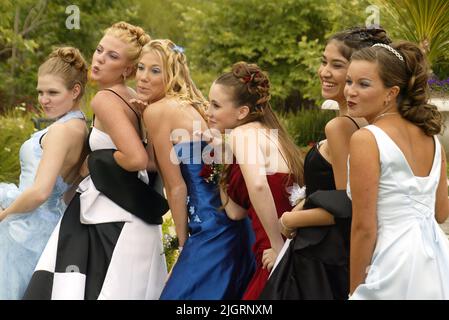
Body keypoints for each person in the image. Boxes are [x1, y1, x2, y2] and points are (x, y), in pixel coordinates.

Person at [24, 22, 168, 300]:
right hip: (128, 211)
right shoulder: (135, 99)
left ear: (127, 69)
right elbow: (152, 159)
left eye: (112, 56)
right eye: (100, 50)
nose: (99, 58)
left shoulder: (105, 99)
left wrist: (94, 161)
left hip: (106, 215)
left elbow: (137, 158)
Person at [260, 27, 391, 300]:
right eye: (324, 61)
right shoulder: (370, 124)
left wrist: (289, 218)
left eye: (337, 65)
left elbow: (346, 206)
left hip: (322, 257)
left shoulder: (341, 127)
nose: (324, 72)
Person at [139, 39, 255, 300]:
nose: (143, 77)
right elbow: (157, 161)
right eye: (140, 67)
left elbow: (176, 186)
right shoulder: (197, 105)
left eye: (155, 70)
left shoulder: (158, 111)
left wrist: (183, 245)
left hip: (209, 230)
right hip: (235, 224)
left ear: (171, 74)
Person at [347, 41, 449, 299]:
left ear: (391, 93)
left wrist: (354, 290)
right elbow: (440, 212)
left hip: (393, 262)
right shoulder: (432, 139)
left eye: (363, 84)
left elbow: (364, 227)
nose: (350, 91)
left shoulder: (366, 139)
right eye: (349, 81)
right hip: (437, 260)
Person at [206, 61, 304, 300]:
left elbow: (259, 186)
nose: (207, 111)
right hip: (290, 243)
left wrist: (278, 247)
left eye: (216, 105)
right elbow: (236, 212)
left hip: (276, 248)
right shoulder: (273, 135)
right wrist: (221, 161)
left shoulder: (243, 134)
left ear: (242, 112)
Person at [0, 47, 88, 299]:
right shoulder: (80, 126)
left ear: (75, 91)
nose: (43, 99)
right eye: (40, 92)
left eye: (52, 92)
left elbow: (40, 192)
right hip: (48, 226)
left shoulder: (61, 132)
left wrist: (4, 214)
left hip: (25, 230)